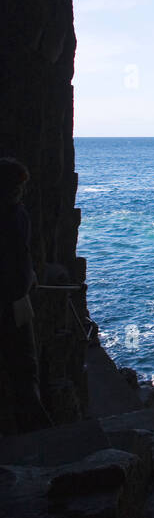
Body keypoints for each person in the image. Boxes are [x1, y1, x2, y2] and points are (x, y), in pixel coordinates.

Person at [0, 157, 51, 430]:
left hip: (16, 298)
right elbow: (20, 255)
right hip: (15, 301)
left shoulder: (16, 213)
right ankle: (35, 427)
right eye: (17, 186)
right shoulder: (15, 215)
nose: (21, 191)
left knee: (24, 364)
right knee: (24, 364)